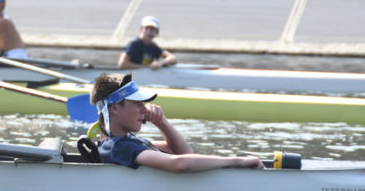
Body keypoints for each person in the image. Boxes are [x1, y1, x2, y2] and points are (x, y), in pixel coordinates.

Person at [91, 72, 263, 172]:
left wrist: (162, 123)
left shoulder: (125, 143)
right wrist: (238, 161)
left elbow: (183, 152)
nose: (144, 108)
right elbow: (180, 164)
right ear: (113, 109)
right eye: (137, 104)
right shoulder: (120, 147)